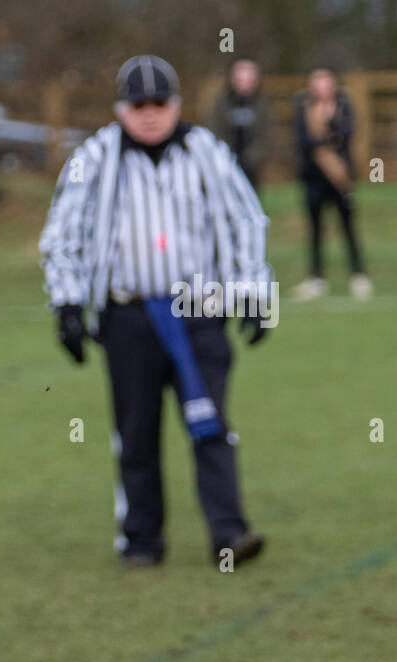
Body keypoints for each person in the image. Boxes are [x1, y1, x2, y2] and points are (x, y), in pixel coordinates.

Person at [39, 55, 270, 569]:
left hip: (199, 311)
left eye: (159, 103)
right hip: (130, 316)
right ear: (122, 107)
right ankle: (141, 541)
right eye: (138, 104)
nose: (149, 114)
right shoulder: (95, 155)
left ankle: (229, 535)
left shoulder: (206, 150)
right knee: (136, 431)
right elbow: (62, 233)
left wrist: (255, 294)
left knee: (211, 424)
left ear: (177, 104)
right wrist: (69, 305)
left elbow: (246, 221)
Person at [292, 67, 371, 301]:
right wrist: (327, 139)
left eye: (325, 80)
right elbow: (303, 141)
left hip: (341, 177)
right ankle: (316, 278)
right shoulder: (303, 107)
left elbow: (348, 132)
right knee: (315, 229)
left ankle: (358, 275)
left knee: (348, 227)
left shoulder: (344, 104)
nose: (322, 86)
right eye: (316, 80)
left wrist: (327, 133)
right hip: (314, 178)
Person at [210, 56, 270, 191]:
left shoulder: (262, 104)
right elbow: (215, 131)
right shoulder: (221, 103)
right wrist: (226, 157)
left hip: (251, 168)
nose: (244, 80)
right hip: (224, 165)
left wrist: (251, 159)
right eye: (240, 75)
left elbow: (265, 136)